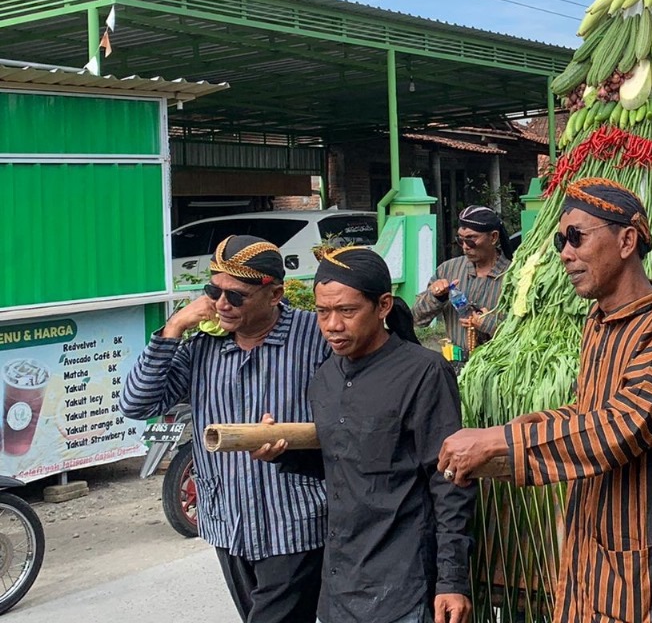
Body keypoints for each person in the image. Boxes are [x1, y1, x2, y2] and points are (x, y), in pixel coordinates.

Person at [435, 178, 652, 623]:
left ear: (627, 239)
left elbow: (623, 424)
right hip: (595, 577)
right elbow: (586, 414)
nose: (565, 253)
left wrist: (501, 442)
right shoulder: (599, 321)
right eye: (560, 240)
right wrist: (509, 434)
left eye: (577, 237)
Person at [252, 247, 474, 623]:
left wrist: (452, 581)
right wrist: (284, 452)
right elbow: (347, 463)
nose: (332, 325)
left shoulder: (423, 373)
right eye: (323, 312)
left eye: (347, 311)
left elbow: (449, 480)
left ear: (383, 305)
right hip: (341, 582)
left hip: (403, 585)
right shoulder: (325, 378)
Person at [119, 237, 328, 623]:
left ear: (275, 293)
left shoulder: (315, 337)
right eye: (213, 291)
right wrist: (175, 327)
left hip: (298, 519)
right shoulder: (202, 345)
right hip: (229, 522)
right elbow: (137, 404)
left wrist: (297, 442)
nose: (221, 304)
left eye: (236, 296)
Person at [413, 205, 512, 366]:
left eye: (471, 240)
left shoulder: (514, 276)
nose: (465, 246)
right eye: (460, 239)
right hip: (453, 366)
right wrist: (436, 297)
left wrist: (488, 324)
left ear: (493, 237)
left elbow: (524, 333)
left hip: (496, 369)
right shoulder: (448, 269)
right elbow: (417, 319)